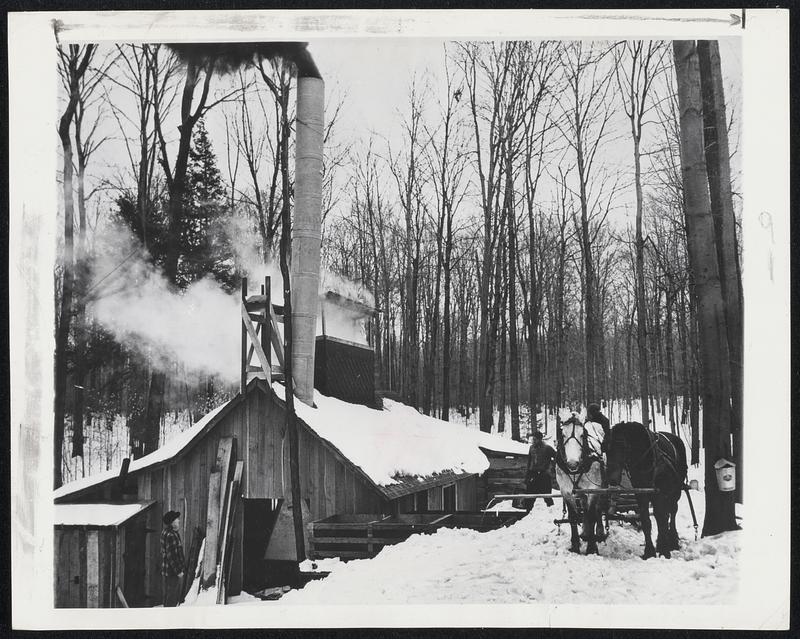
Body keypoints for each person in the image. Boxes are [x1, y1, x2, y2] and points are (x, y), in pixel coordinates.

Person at [524, 430, 557, 511]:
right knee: (529, 495)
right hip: (533, 474)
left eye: (535, 439)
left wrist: (552, 468)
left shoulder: (547, 448)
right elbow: (529, 461)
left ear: (540, 439)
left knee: (547, 496)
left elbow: (556, 457)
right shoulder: (531, 448)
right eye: (532, 439)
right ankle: (528, 512)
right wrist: (527, 475)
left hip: (544, 475)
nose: (533, 441)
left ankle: (551, 512)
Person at [160, 510, 185, 607]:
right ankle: (170, 619)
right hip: (172, 572)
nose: (179, 521)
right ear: (172, 522)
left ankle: (167, 616)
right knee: (172, 598)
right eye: (177, 519)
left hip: (167, 571)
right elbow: (172, 557)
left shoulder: (166, 532)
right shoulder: (171, 535)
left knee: (168, 596)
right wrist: (178, 571)